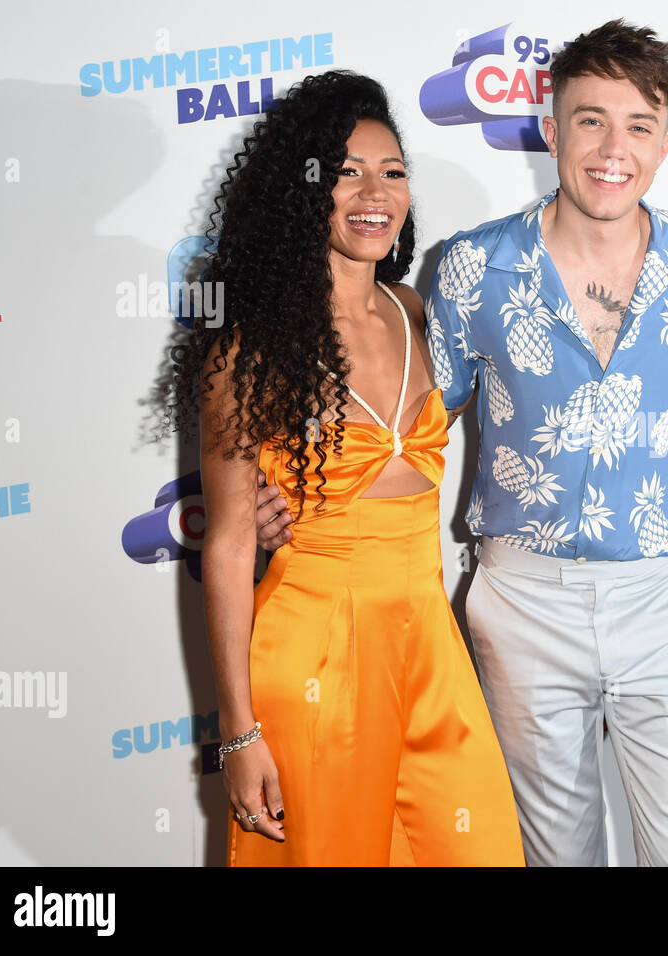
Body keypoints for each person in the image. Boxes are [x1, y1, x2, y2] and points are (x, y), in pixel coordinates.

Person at [258, 21, 668, 866]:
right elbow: (407, 425)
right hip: (523, 604)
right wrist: (285, 492)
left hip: (663, 601)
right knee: (553, 855)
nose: (611, 148)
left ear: (666, 144)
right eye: (590, 120)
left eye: (637, 125)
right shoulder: (472, 268)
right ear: (552, 131)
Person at [178, 70, 523, 866]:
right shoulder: (249, 350)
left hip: (431, 645)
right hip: (315, 658)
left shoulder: (415, 311)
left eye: (393, 172)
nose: (376, 192)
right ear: (304, 192)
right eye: (347, 172)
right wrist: (238, 733)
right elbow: (229, 546)